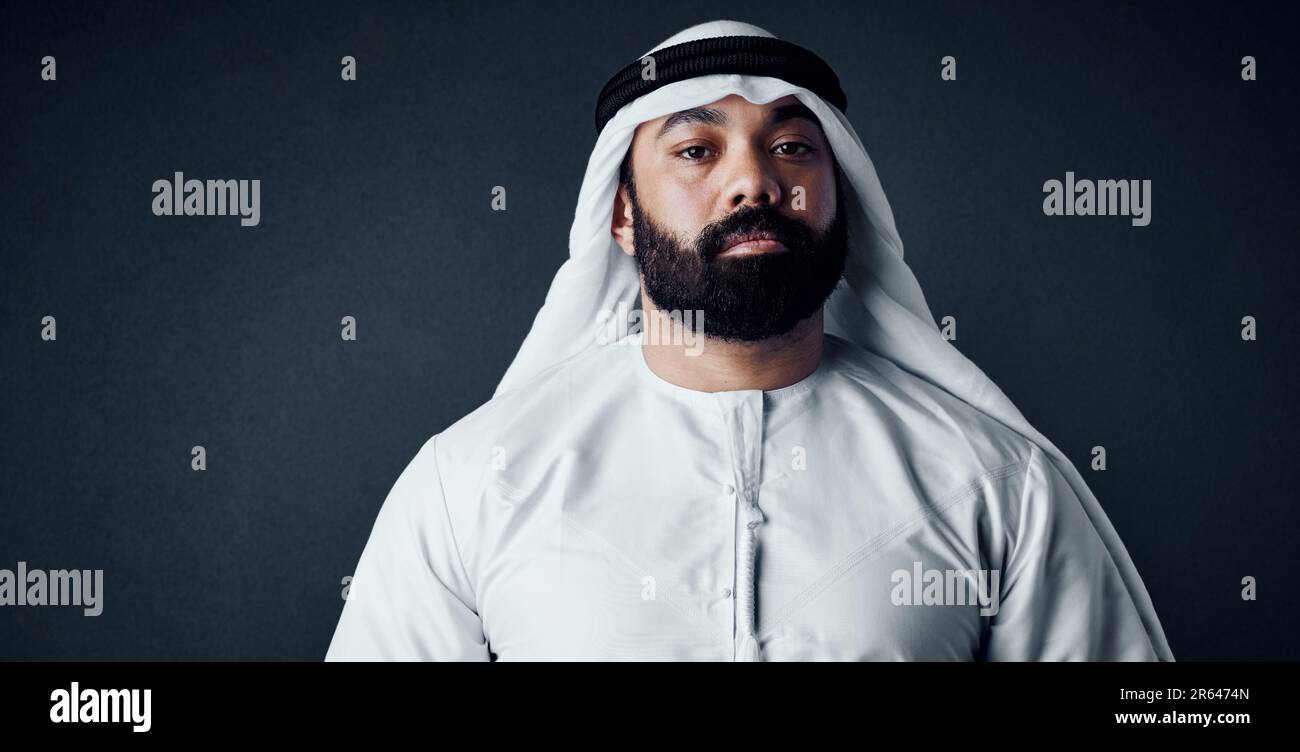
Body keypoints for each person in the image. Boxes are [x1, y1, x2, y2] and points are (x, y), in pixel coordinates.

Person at [325, 19, 1174, 661]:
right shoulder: (470, 484)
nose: (754, 182)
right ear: (621, 215)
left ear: (843, 198)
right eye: (697, 149)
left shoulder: (993, 483)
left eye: (793, 148)